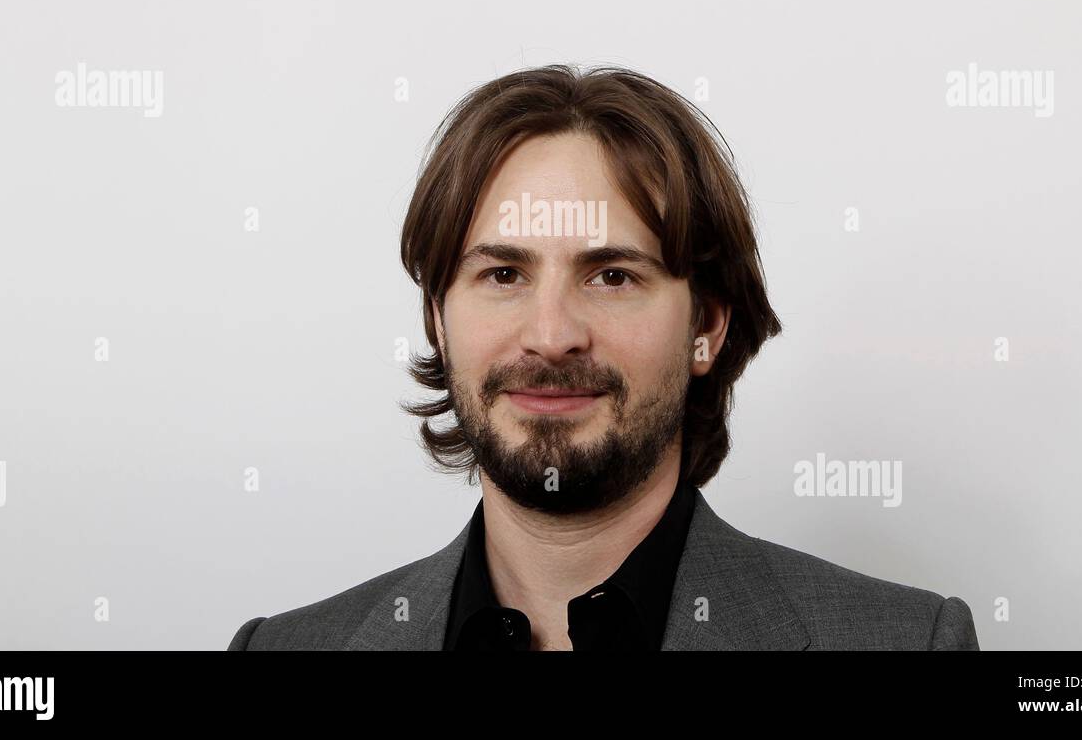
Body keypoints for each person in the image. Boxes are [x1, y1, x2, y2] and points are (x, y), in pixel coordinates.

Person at [228, 65, 979, 651]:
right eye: (504, 274)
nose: (552, 335)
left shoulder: (906, 640)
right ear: (437, 318)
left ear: (708, 325)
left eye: (612, 275)